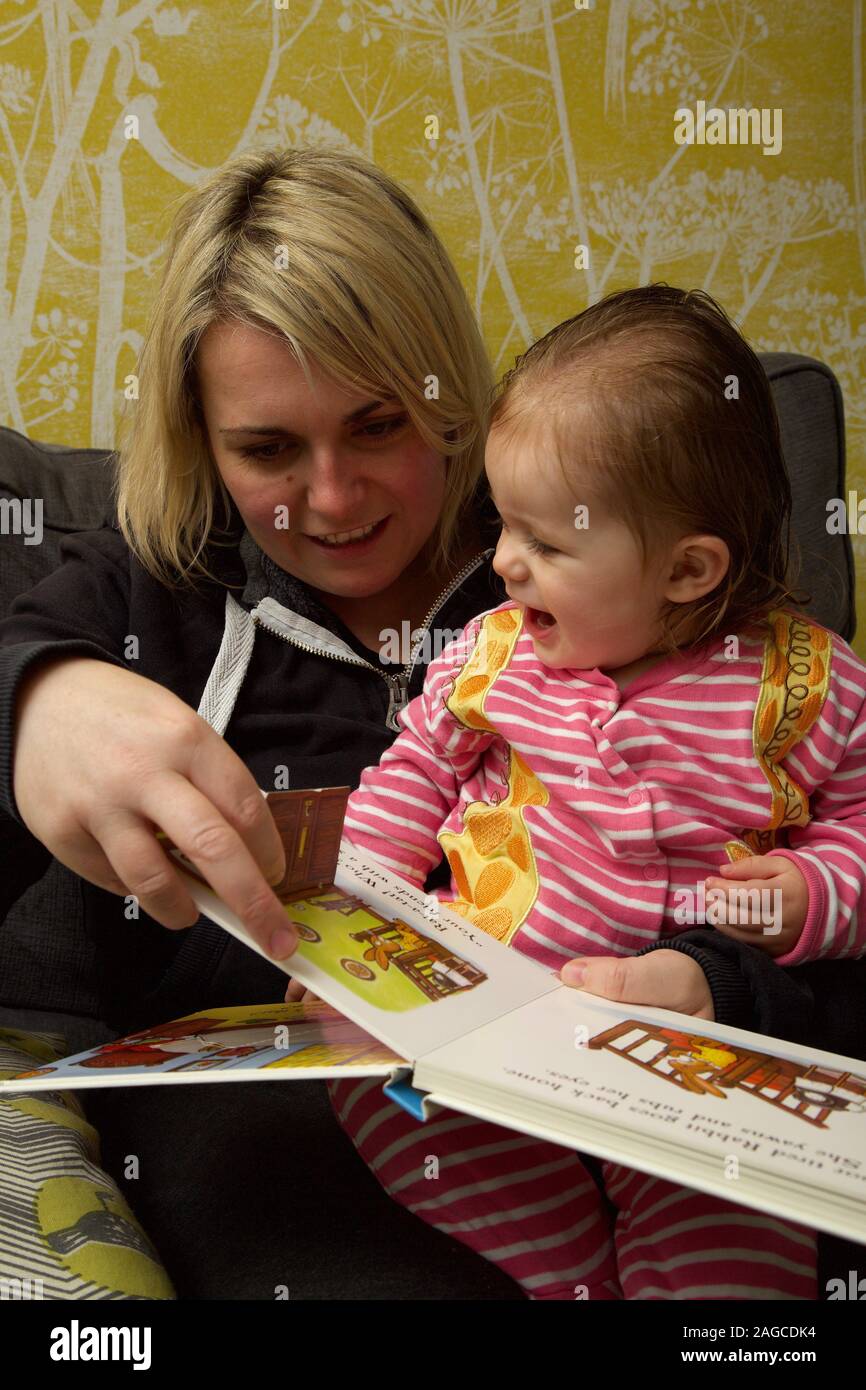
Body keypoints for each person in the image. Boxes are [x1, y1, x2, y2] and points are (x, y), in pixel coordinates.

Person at [0, 149, 862, 1298]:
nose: (336, 498)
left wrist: (720, 976)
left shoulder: (606, 556)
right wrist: (37, 698)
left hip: (665, 1083)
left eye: (376, 425)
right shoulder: (140, 595)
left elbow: (816, 862)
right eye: (266, 448)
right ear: (199, 437)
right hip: (335, 1143)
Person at [324, 284, 866, 1300]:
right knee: (379, 1088)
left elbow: (858, 832)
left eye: (545, 542)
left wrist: (805, 890)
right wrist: (351, 909)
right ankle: (565, 1269)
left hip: (684, 1057)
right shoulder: (493, 657)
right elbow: (411, 773)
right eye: (502, 526)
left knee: (733, 1228)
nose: (502, 564)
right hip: (487, 1023)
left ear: (686, 569)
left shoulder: (807, 686)